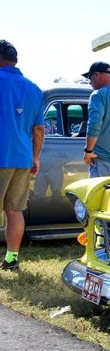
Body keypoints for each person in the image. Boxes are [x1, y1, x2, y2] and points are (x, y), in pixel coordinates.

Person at [0, 40, 44, 271]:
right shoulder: (34, 88)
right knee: (14, 210)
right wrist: (35, 157)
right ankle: (11, 259)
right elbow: (38, 129)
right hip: (22, 158)